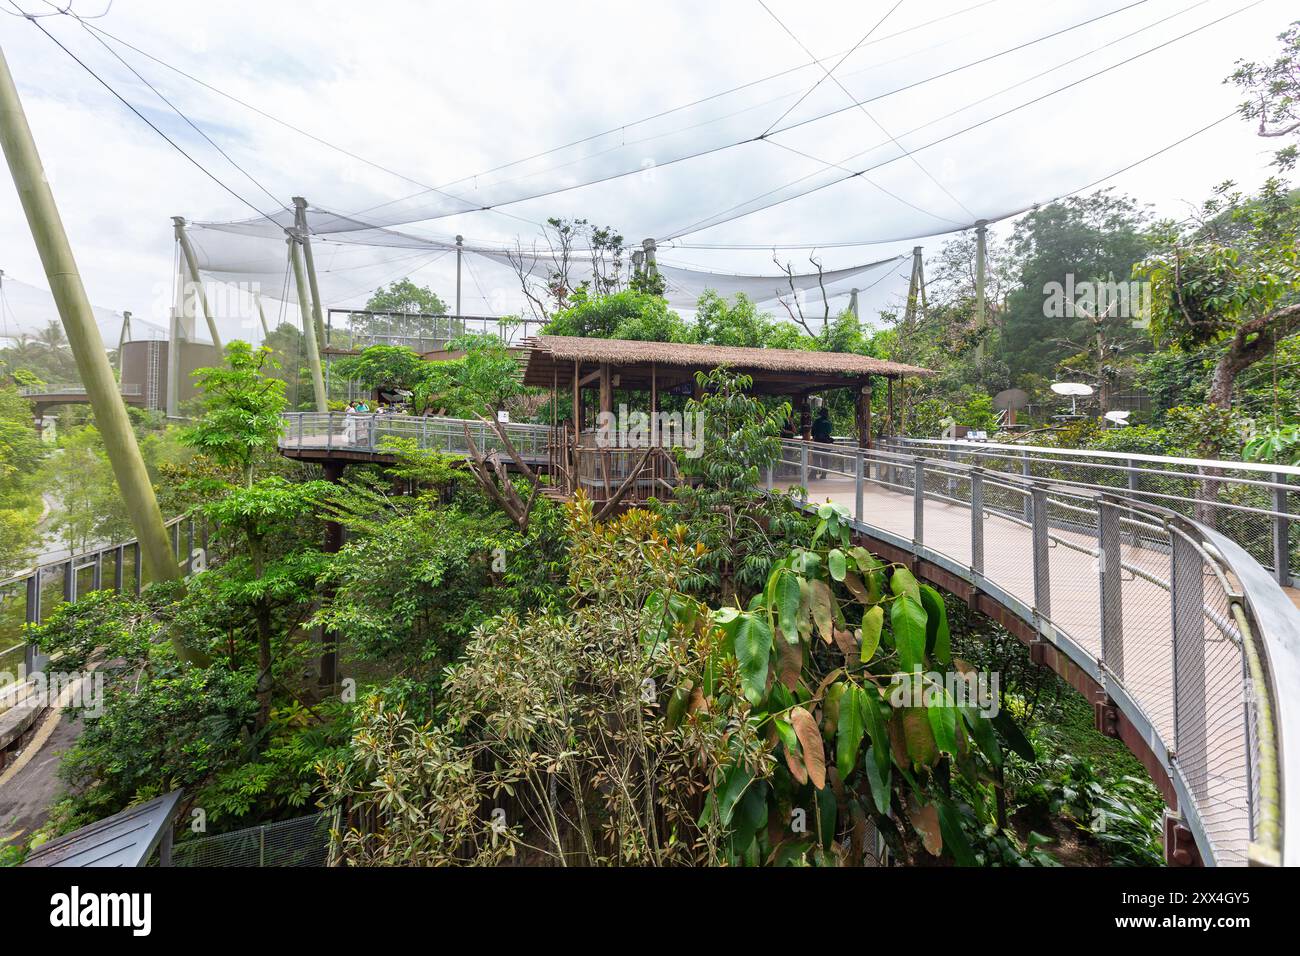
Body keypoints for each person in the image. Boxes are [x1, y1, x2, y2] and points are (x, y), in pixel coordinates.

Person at [811, 407, 834, 479]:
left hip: (818, 442)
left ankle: (814, 473)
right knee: (825, 458)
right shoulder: (828, 422)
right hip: (826, 442)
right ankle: (824, 474)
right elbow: (829, 431)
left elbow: (813, 432)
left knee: (816, 458)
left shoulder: (817, 421)